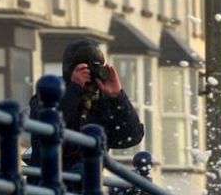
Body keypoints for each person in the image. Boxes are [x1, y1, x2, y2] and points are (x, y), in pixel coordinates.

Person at [28, 39, 144, 174]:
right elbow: (47, 130)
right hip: (49, 185)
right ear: (70, 70)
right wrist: (75, 88)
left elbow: (131, 136)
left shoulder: (102, 103)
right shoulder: (49, 95)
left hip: (87, 189)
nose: (91, 76)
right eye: (85, 69)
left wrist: (117, 96)